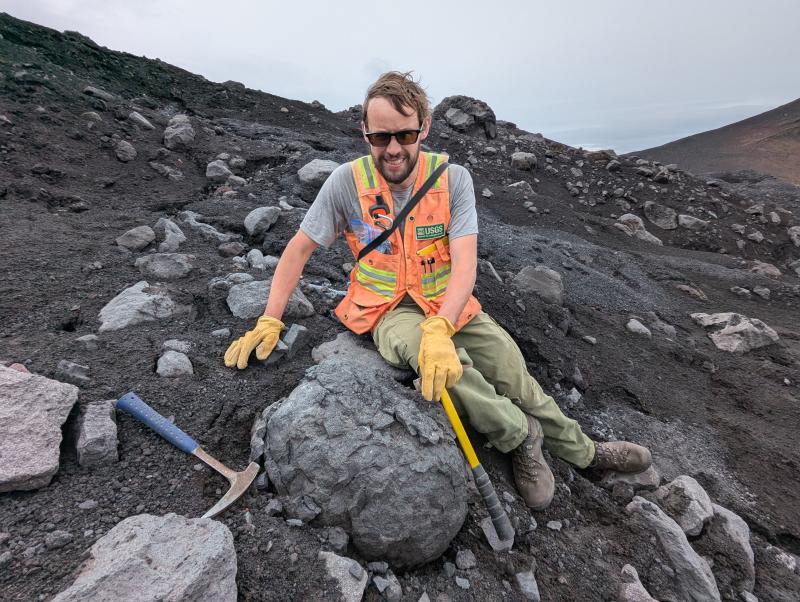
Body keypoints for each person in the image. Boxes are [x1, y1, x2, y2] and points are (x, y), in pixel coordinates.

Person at [224, 71, 651, 510]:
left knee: (512, 371)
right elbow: (297, 251)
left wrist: (443, 324)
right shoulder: (345, 184)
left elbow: (465, 263)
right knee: (445, 370)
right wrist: (270, 318)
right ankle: (522, 437)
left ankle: (586, 452)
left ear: (424, 127)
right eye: (380, 137)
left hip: (450, 303)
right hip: (387, 310)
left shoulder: (453, 180)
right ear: (365, 132)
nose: (392, 149)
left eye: (405, 134)